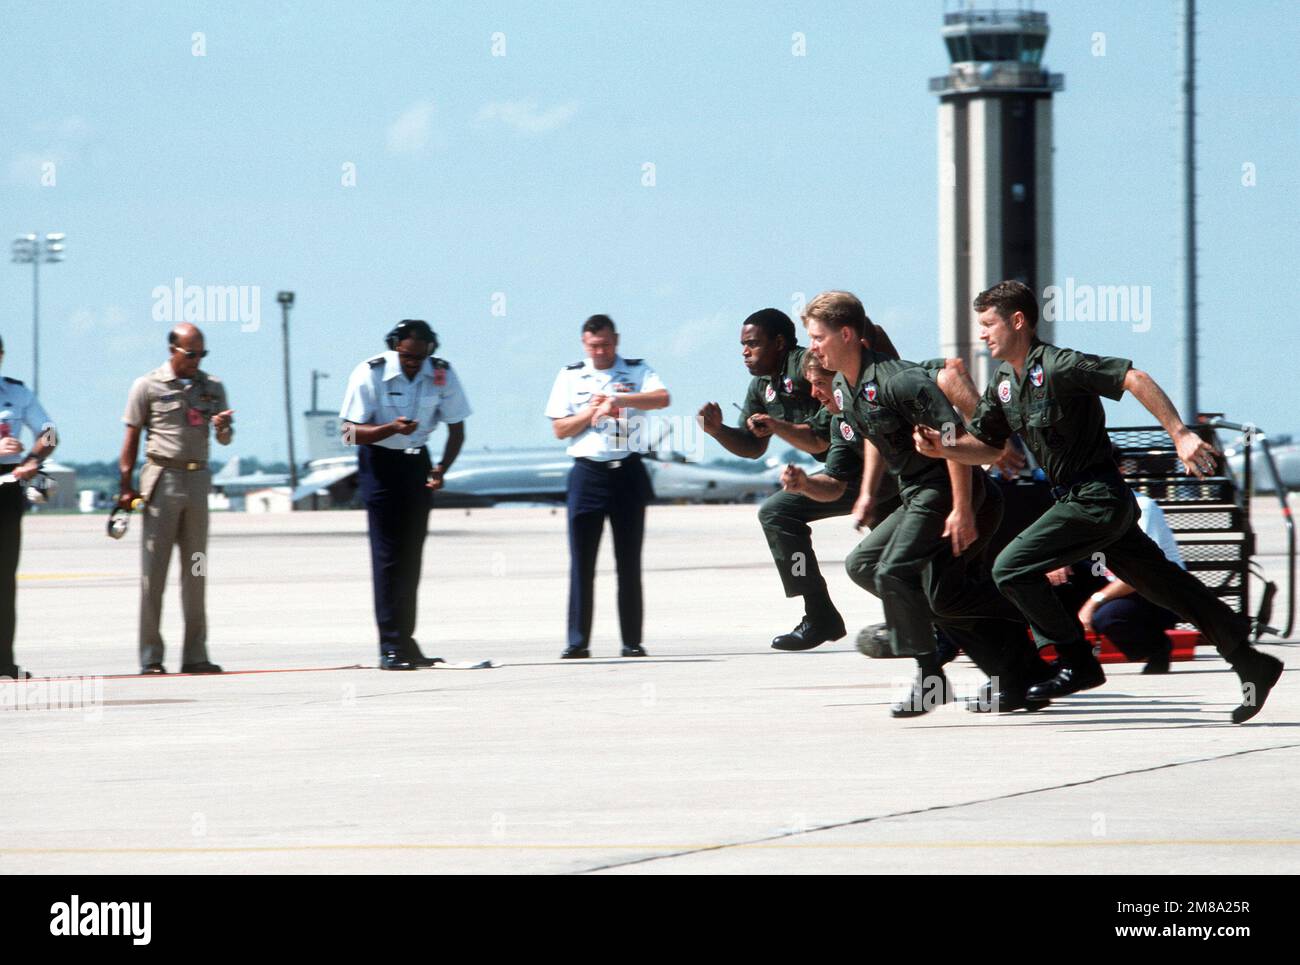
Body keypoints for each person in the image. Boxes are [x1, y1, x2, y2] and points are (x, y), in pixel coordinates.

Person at [914, 279, 1283, 723]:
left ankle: (1077, 661)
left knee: (1010, 566)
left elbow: (1134, 377)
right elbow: (989, 447)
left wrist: (1180, 434)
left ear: (1018, 321)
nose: (983, 334)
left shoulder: (1060, 365)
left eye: (989, 324)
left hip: (1097, 496)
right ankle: (1250, 661)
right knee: (1168, 588)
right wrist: (944, 449)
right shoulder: (1005, 386)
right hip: (1084, 502)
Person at [805, 291, 1049, 716]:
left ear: (846, 334)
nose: (812, 347)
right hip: (917, 493)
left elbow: (952, 440)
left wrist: (962, 508)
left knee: (895, 573)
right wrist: (865, 494)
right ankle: (1008, 656)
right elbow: (875, 437)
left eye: (817, 337)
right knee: (871, 568)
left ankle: (931, 674)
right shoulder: (846, 386)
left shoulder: (901, 381)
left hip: (948, 489)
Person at [697, 308, 851, 650]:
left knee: (893, 557)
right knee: (778, 513)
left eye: (753, 343)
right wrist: (718, 431)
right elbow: (752, 447)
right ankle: (819, 613)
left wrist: (778, 425)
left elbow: (819, 437)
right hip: (841, 469)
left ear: (779, 343)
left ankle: (940, 624)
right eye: (743, 345)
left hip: (871, 464)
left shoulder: (809, 365)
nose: (745, 352)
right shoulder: (762, 385)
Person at [340, 319, 470, 671]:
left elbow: (457, 427)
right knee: (388, 558)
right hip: (380, 462)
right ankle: (390, 646)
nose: (414, 363)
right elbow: (349, 434)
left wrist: (441, 467)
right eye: (407, 356)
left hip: (417, 464)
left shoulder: (440, 373)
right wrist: (388, 429)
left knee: (411, 556)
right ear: (395, 347)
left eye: (420, 356)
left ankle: (407, 641)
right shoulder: (371, 372)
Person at [546, 315, 669, 658]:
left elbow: (662, 398)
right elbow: (560, 429)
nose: (600, 352)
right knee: (582, 563)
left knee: (628, 562)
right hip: (587, 472)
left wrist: (621, 400)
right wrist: (592, 413)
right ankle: (577, 641)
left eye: (606, 345)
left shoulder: (636, 369)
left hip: (626, 471)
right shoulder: (571, 375)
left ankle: (631, 641)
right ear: (584, 343)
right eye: (593, 346)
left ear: (616, 340)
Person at [119, 324, 233, 674]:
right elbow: (132, 435)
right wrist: (125, 483)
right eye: (190, 353)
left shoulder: (212, 387)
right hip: (163, 481)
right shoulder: (147, 385)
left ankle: (196, 654)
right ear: (172, 350)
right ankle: (151, 656)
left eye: (202, 354)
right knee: (154, 574)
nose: (197, 360)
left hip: (198, 482)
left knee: (196, 569)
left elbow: (226, 440)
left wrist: (223, 428)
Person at [0, 335, 58, 680]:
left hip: (8, 486)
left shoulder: (17, 392)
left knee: (5, 579)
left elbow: (50, 432)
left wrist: (34, 459)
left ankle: (3, 661)